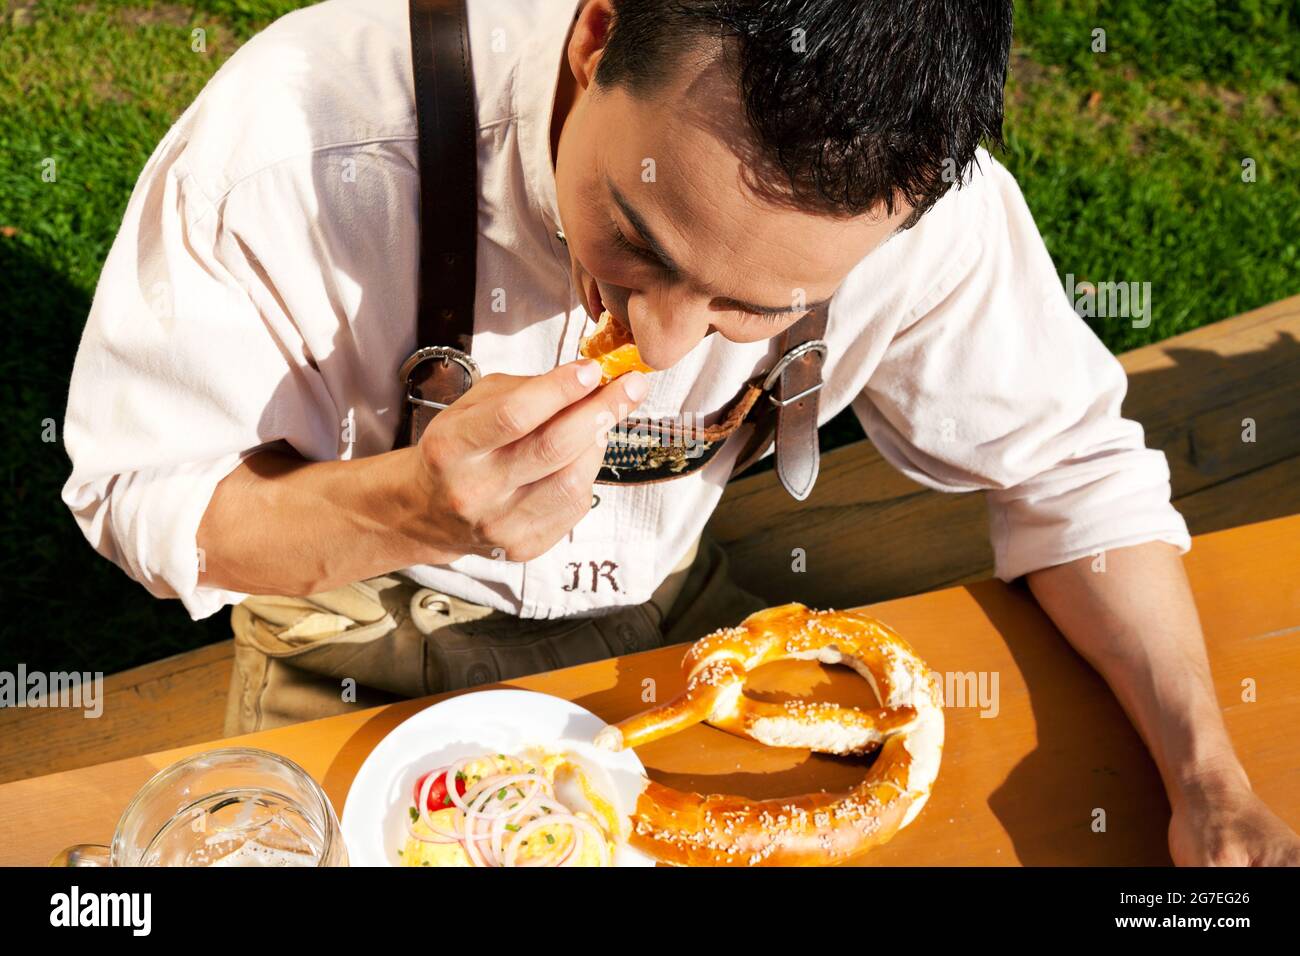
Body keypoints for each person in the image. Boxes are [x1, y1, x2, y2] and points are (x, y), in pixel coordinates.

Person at [61, 0, 1299, 865]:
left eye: (757, 307)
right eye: (643, 242)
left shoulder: (926, 221)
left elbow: (1073, 471)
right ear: (597, 36)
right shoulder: (300, 146)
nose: (660, 347)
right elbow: (138, 490)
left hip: (669, 605)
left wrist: (1207, 776)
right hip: (346, 614)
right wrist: (408, 506)